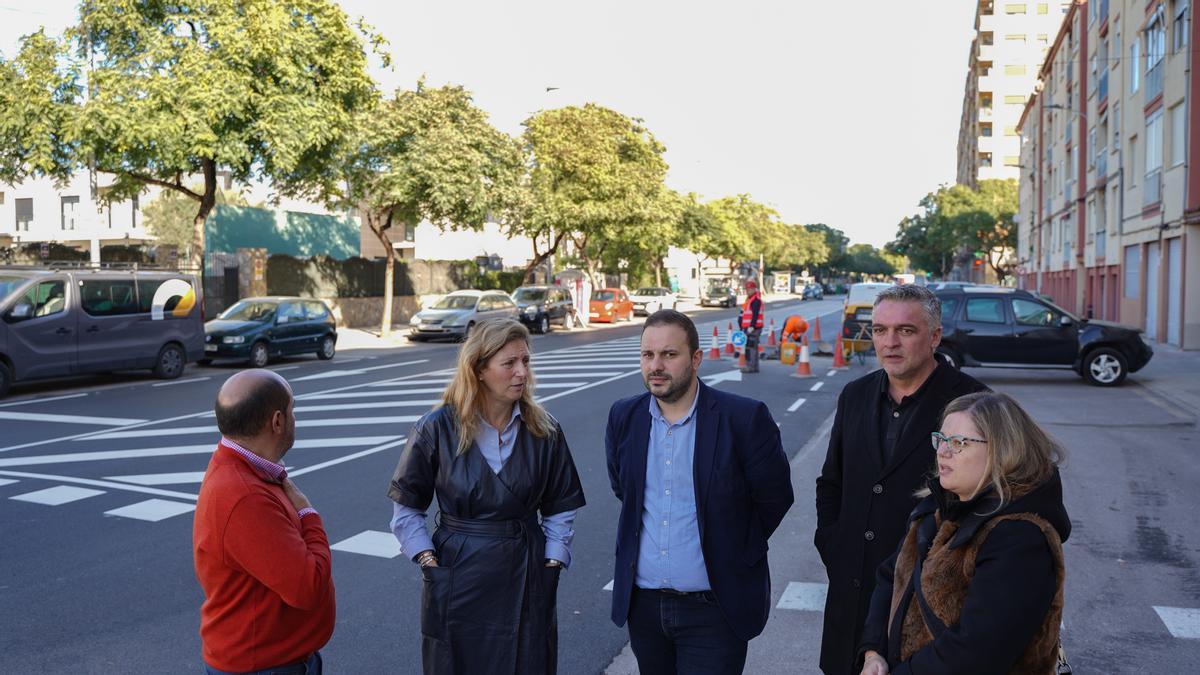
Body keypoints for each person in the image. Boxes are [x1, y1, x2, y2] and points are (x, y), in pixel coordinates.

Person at [387, 319, 586, 675]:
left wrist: (552, 562)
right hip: (457, 574)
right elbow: (406, 506)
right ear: (478, 369)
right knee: (456, 663)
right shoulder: (437, 428)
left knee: (526, 662)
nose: (522, 372)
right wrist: (428, 560)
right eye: (509, 363)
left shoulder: (545, 430)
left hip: (526, 571)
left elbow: (560, 506)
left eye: (525, 361)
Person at [606, 309, 794, 674]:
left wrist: (732, 547)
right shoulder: (624, 416)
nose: (656, 366)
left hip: (715, 609)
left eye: (669, 354)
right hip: (644, 609)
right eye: (648, 355)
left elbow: (775, 498)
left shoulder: (743, 418)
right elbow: (623, 489)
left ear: (696, 359)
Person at [814, 284, 988, 675]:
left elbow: (991, 502)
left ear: (935, 336)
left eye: (905, 331)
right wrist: (833, 544)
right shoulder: (855, 395)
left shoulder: (975, 404)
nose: (889, 342)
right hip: (851, 596)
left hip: (926, 604)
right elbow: (832, 482)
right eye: (879, 330)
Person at [859, 392, 1069, 674]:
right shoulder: (938, 508)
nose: (943, 452)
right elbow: (890, 576)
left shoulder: (1019, 538)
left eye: (959, 443)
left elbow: (977, 651)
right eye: (941, 439)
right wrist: (873, 652)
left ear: (1002, 450)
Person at [193, 369, 334, 675]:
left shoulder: (245, 468)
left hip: (272, 656)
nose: (295, 418)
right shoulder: (244, 495)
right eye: (292, 409)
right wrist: (308, 515)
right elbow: (308, 586)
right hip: (264, 664)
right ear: (277, 421)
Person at [738, 280, 764, 373]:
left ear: (754, 289)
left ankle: (751, 367)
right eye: (747, 289)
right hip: (748, 328)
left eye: (749, 289)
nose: (748, 291)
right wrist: (741, 327)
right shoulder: (749, 300)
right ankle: (753, 366)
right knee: (751, 348)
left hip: (754, 328)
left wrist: (752, 326)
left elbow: (755, 315)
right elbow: (743, 314)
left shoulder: (756, 301)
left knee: (751, 348)